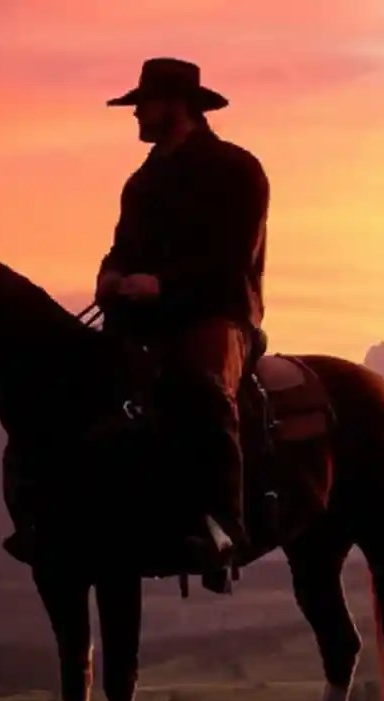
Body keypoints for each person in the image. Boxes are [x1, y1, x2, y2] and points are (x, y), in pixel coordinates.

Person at [95, 57, 270, 593]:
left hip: (218, 312)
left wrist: (162, 285)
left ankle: (225, 527)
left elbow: (231, 258)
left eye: (143, 105)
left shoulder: (237, 170)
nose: (136, 116)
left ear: (175, 106)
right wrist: (110, 275)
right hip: (144, 318)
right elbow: (121, 246)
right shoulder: (140, 183)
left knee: (206, 388)